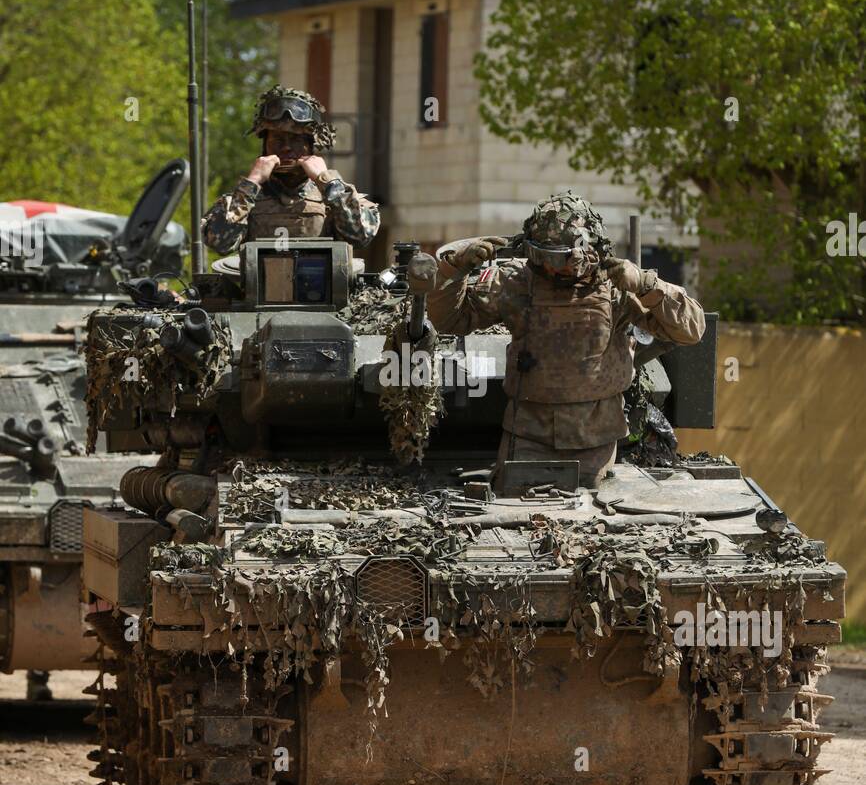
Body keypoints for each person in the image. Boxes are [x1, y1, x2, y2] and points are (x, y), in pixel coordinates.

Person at [418, 191, 706, 486]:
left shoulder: (617, 285)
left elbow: (692, 329)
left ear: (586, 250)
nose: (552, 268)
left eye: (561, 258)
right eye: (542, 256)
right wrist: (455, 268)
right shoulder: (516, 282)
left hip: (596, 434)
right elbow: (450, 321)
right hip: (528, 433)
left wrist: (649, 286)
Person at [202, 85, 379, 253]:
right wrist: (252, 182)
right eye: (278, 139)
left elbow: (360, 237)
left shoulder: (337, 196)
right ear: (265, 146)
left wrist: (328, 182)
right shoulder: (244, 199)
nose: (286, 147)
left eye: (296, 139)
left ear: (311, 146)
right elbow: (220, 244)